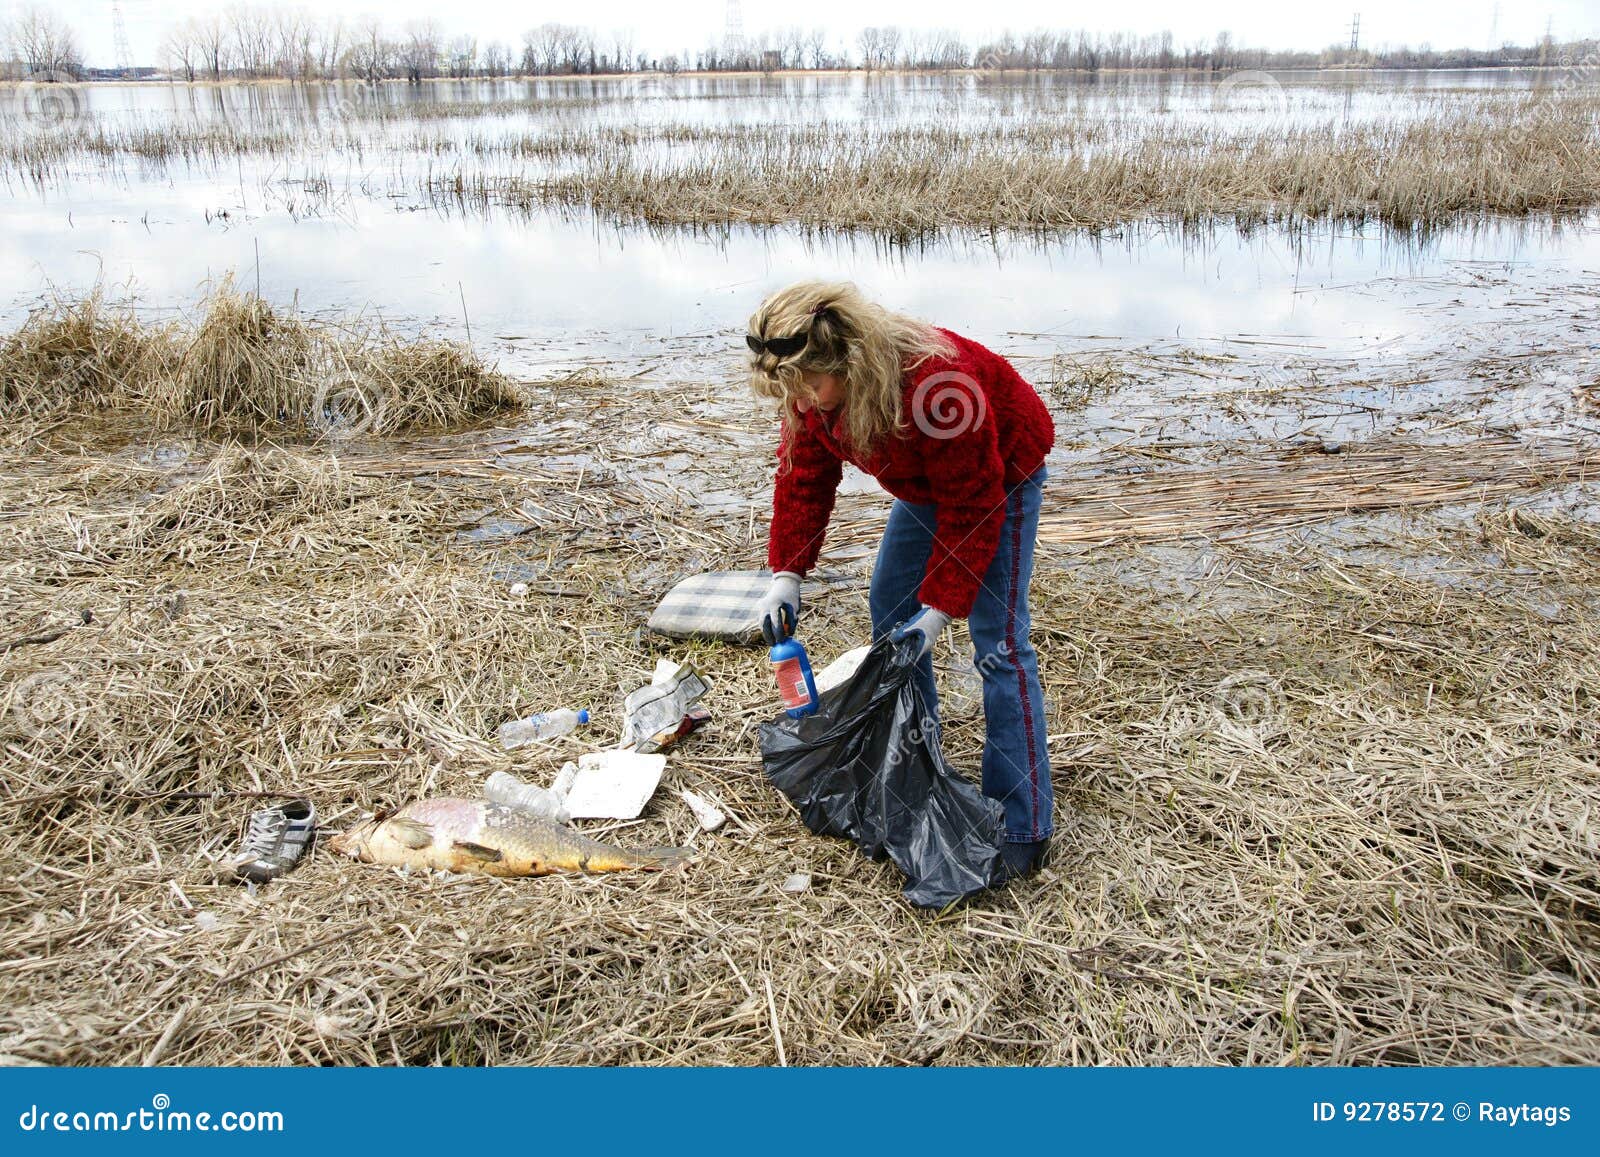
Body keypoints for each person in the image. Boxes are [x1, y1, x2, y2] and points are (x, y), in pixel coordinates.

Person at [748, 280, 1055, 878]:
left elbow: (972, 501)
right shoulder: (807, 391)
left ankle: (1025, 822)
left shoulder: (938, 386)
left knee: (999, 645)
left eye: (811, 386)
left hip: (1000, 477)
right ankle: (919, 768)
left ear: (851, 360)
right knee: (891, 605)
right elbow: (804, 476)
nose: (803, 404)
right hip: (925, 482)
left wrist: (939, 611)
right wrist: (788, 572)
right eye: (792, 392)